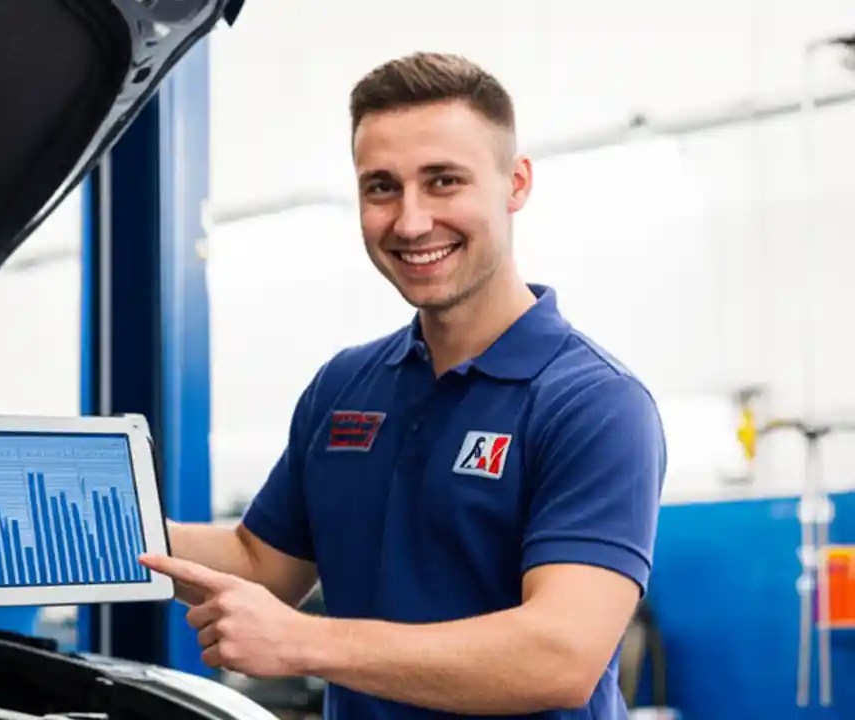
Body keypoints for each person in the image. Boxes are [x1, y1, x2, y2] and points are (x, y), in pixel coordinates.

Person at [138, 51, 667, 719]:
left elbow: (559, 656)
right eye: (381, 187)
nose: (411, 221)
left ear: (516, 183)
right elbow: (261, 563)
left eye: (443, 181)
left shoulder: (593, 402)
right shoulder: (345, 386)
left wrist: (306, 643)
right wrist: (95, 524)